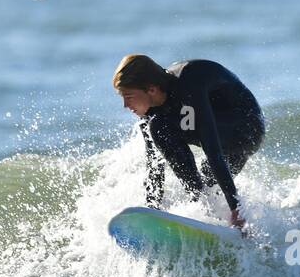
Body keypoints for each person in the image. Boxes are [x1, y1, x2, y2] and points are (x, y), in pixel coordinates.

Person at [113, 54, 265, 229]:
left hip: (246, 128)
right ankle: (206, 214)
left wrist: (236, 209)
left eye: (129, 96)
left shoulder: (189, 82)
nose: (125, 105)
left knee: (160, 126)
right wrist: (151, 212)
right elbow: (154, 164)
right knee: (208, 186)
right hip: (216, 132)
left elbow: (212, 148)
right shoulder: (152, 109)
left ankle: (218, 210)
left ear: (151, 89)